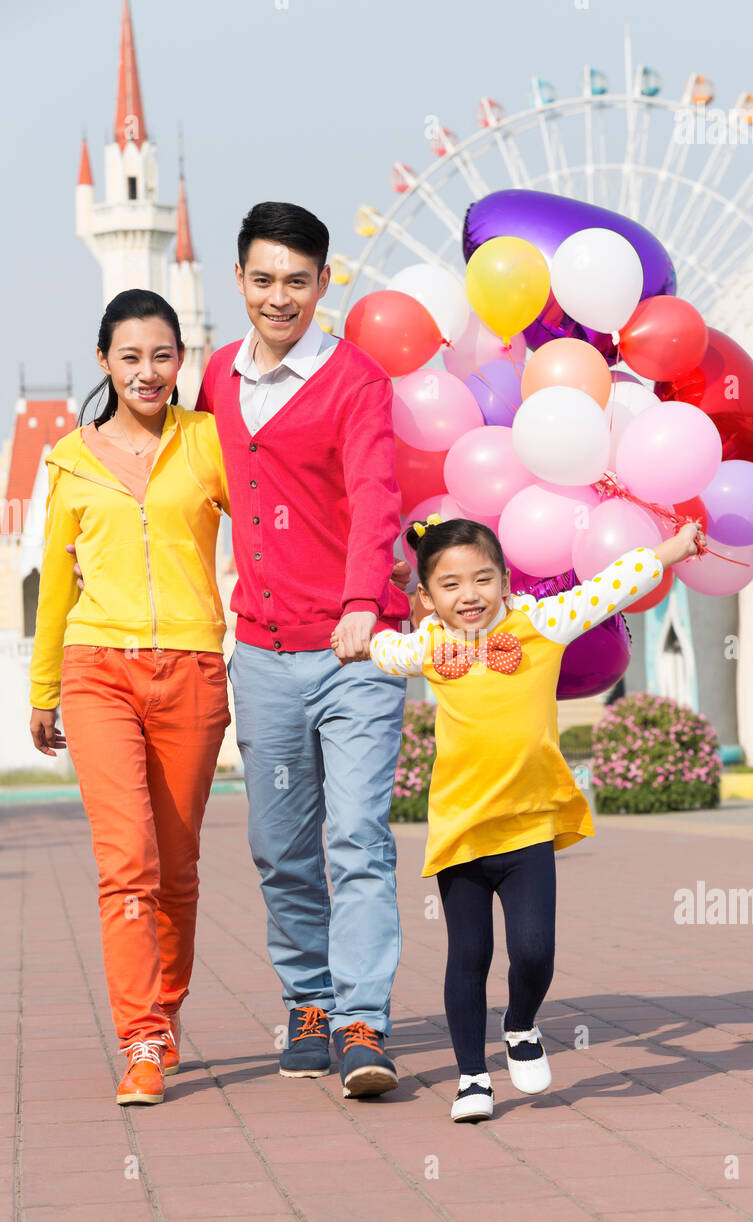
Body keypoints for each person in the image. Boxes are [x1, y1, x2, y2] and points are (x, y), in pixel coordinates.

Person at [367, 513, 704, 1122]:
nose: (469, 595)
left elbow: (611, 587)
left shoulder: (541, 622)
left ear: (503, 580)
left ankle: (520, 1024)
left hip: (528, 825)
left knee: (534, 952)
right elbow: (383, 649)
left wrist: (672, 549)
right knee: (467, 956)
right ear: (429, 596)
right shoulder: (428, 646)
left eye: (482, 579)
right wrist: (372, 620)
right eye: (450, 585)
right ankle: (472, 1077)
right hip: (463, 829)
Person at [195, 202, 410, 1099]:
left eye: (297, 280)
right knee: (281, 847)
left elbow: (375, 497)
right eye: (262, 279)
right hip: (263, 653)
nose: (278, 297)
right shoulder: (215, 376)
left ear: (325, 284)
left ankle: (363, 1020)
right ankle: (308, 1003)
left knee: (358, 838)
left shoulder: (357, 382)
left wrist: (365, 601)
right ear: (239, 282)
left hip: (355, 652)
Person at [28, 289, 233, 1105]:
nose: (147, 372)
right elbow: (54, 586)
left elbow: (264, 529)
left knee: (177, 869)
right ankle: (141, 1037)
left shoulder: (212, 444)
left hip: (191, 667)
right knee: (128, 864)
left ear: (180, 359)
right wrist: (44, 686)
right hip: (97, 668)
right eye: (130, 357)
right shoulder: (70, 461)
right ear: (106, 363)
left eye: (162, 355)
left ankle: (167, 1011)